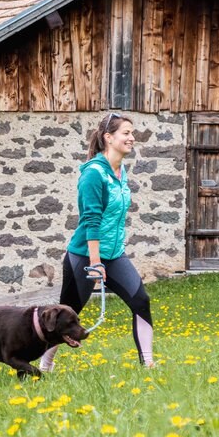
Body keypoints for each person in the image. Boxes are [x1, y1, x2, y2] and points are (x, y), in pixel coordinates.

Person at [40, 112, 156, 371]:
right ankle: (45, 363)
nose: (132, 138)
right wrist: (95, 263)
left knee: (141, 301)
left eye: (132, 133)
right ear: (108, 137)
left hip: (114, 255)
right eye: (126, 133)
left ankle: (148, 363)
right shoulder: (94, 174)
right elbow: (91, 220)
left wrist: (111, 253)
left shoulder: (120, 171)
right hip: (85, 255)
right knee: (66, 313)